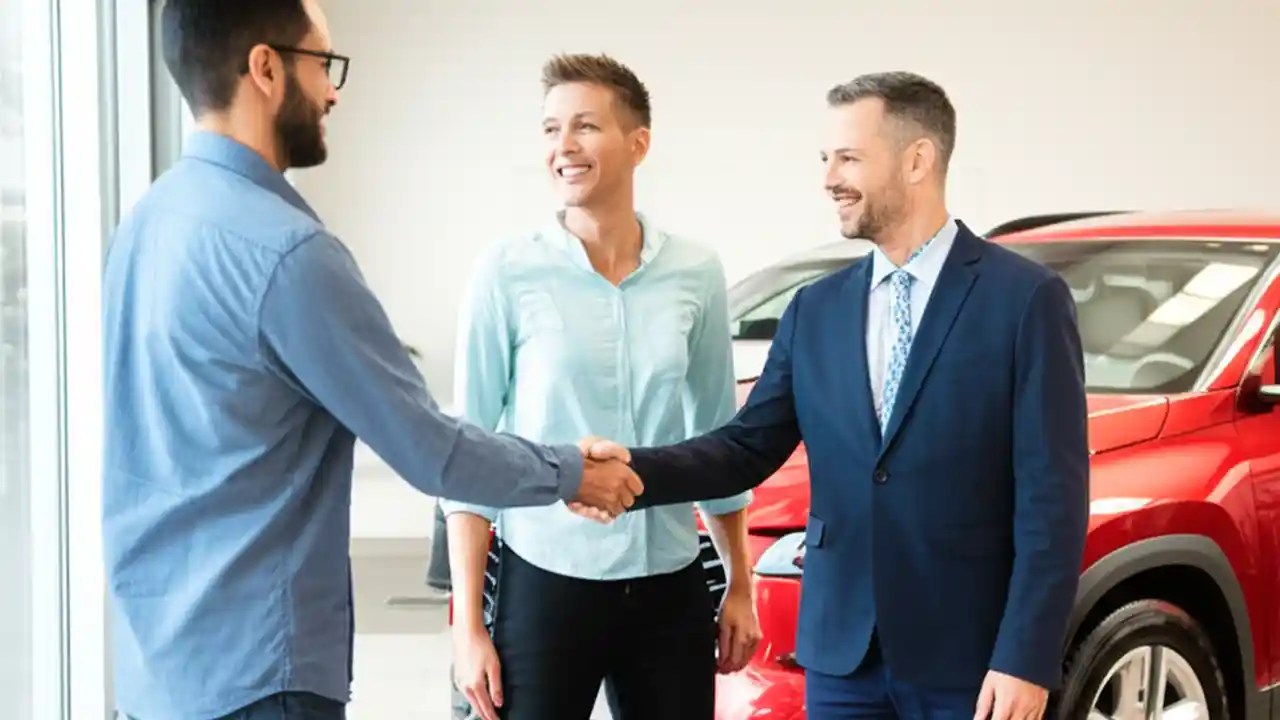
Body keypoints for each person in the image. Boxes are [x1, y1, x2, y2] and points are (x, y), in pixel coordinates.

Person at [102, 3, 641, 719]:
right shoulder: (289, 254)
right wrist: (571, 471)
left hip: (155, 675)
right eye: (322, 64)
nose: (332, 91)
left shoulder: (147, 221)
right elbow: (431, 453)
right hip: (260, 680)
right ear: (266, 69)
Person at [585, 71, 1090, 720]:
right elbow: (744, 449)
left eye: (849, 157)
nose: (828, 179)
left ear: (917, 160)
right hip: (843, 656)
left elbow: (1053, 500)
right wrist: (630, 470)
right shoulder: (815, 311)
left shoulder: (1024, 300)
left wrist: (1025, 656)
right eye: (825, 159)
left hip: (970, 658)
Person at [442, 53, 762, 720]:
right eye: (551, 128)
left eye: (584, 126)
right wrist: (467, 626)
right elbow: (469, 453)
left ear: (638, 143)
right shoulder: (506, 270)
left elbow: (719, 440)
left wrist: (740, 584)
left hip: (668, 582)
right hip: (545, 580)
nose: (563, 146)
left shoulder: (695, 272)